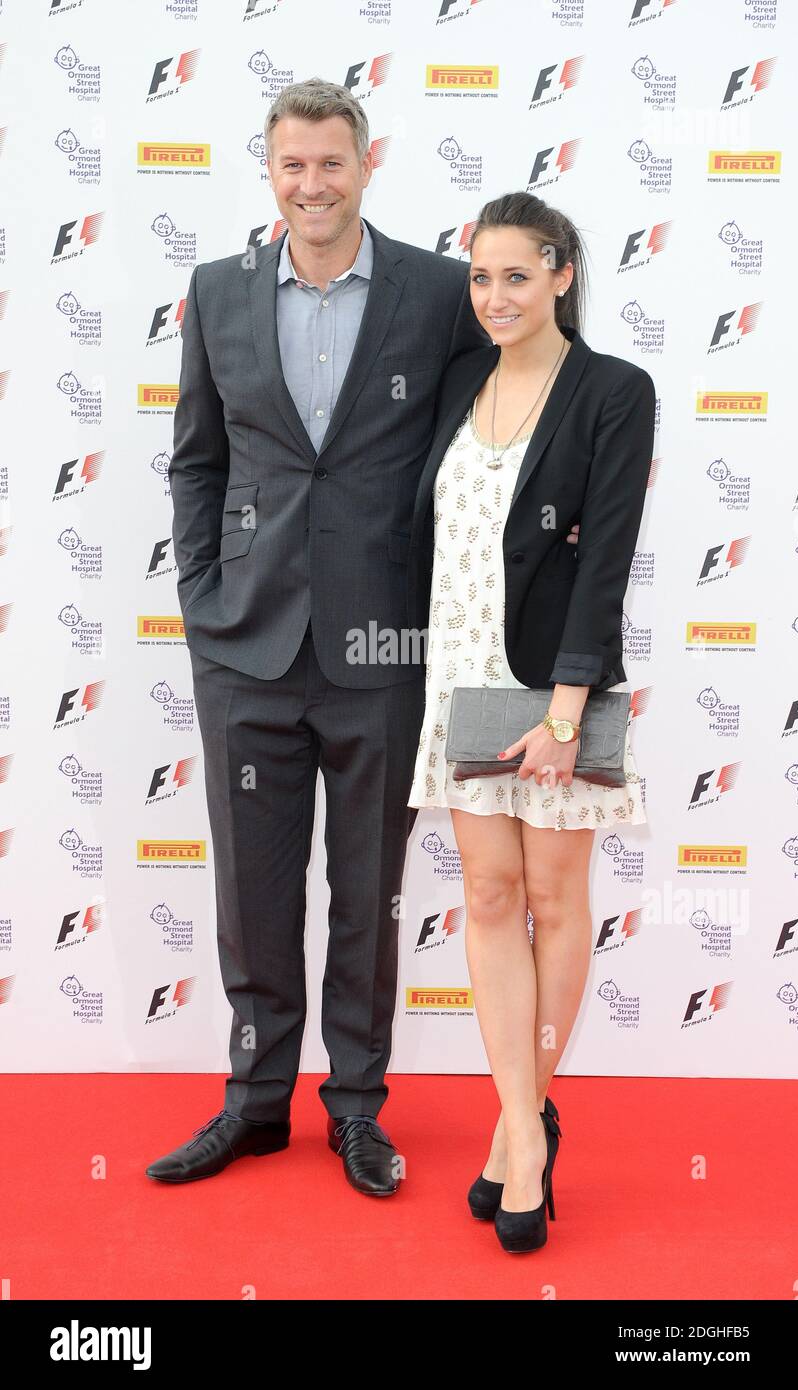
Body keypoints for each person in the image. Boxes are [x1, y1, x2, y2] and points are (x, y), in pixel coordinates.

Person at [146, 77, 493, 1197]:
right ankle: (254, 1104)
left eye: (330, 164)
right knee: (254, 894)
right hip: (244, 646)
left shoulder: (440, 294)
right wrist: (203, 596)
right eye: (292, 165)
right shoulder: (217, 293)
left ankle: (354, 1108)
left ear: (365, 163)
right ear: (269, 171)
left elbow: (487, 443)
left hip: (382, 649)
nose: (312, 185)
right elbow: (198, 461)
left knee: (368, 890)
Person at [407, 191, 656, 1251]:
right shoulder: (460, 381)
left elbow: (602, 560)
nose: (494, 295)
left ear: (561, 273)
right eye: (479, 277)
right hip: (458, 679)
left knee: (556, 904)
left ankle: (518, 1133)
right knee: (489, 896)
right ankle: (523, 1121)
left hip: (554, 687)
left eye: (517, 273)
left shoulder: (611, 388)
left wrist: (564, 710)